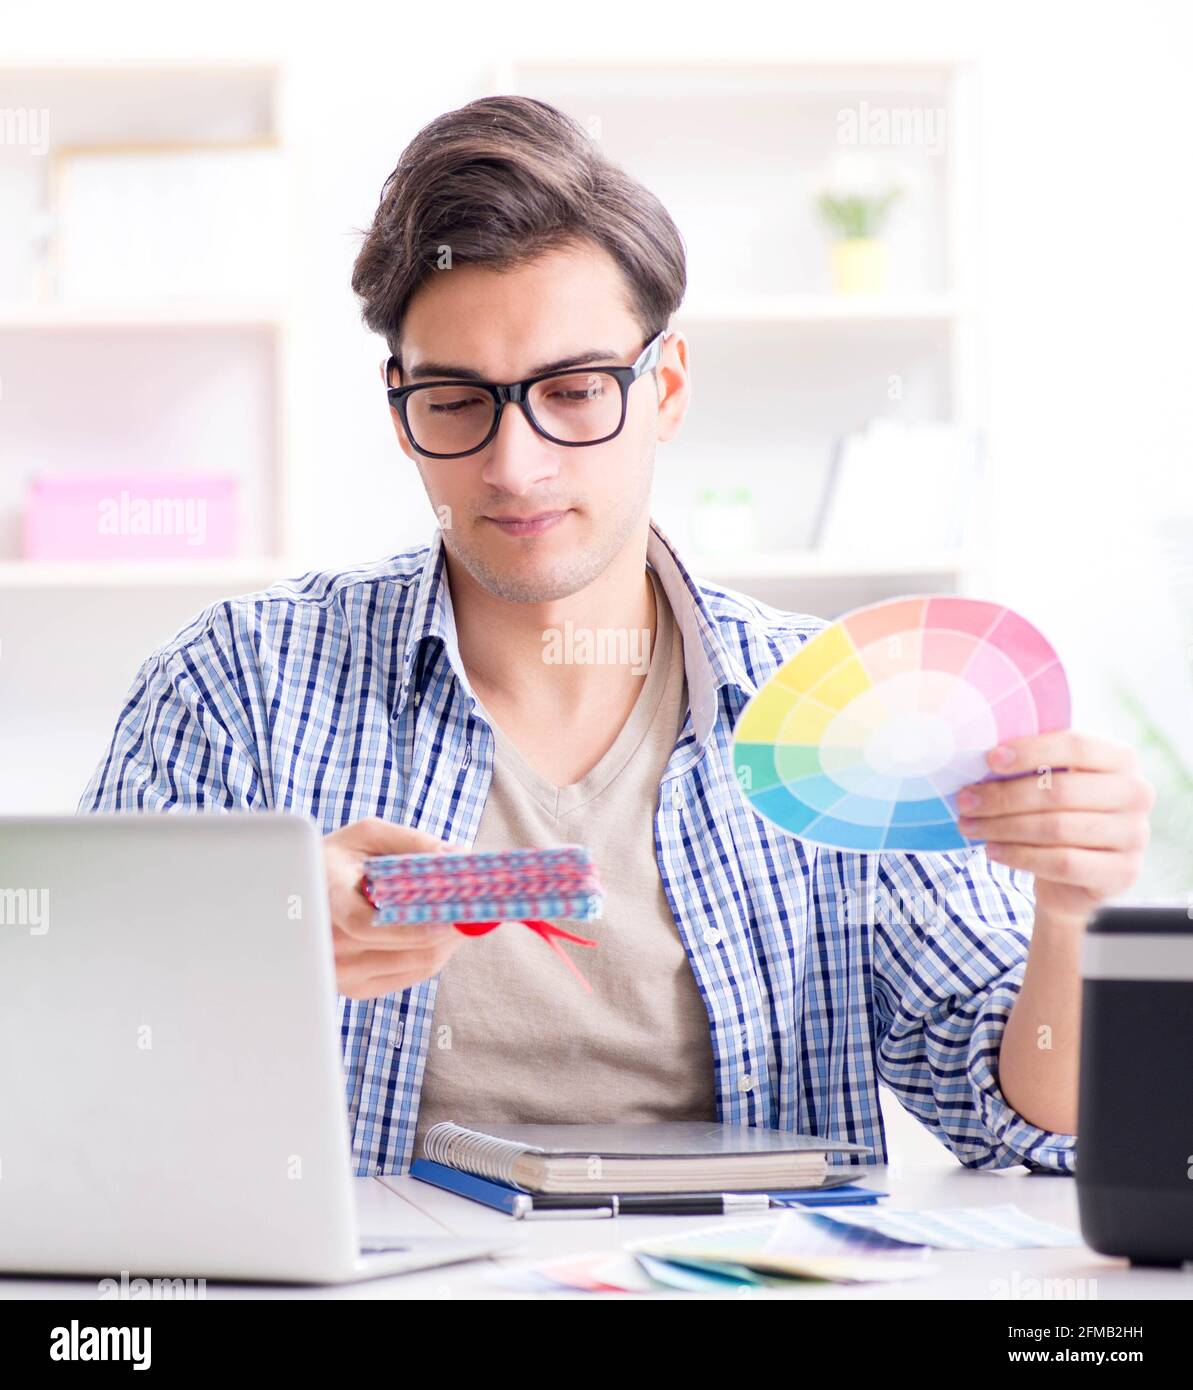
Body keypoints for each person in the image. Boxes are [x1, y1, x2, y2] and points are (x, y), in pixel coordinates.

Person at [81, 95, 1154, 1178]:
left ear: (666, 389)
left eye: (574, 390)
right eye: (457, 401)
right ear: (398, 404)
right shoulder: (236, 683)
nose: (514, 463)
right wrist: (245, 939)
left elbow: (1029, 1120)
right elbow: (79, 1068)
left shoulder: (843, 710)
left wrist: (1067, 913)